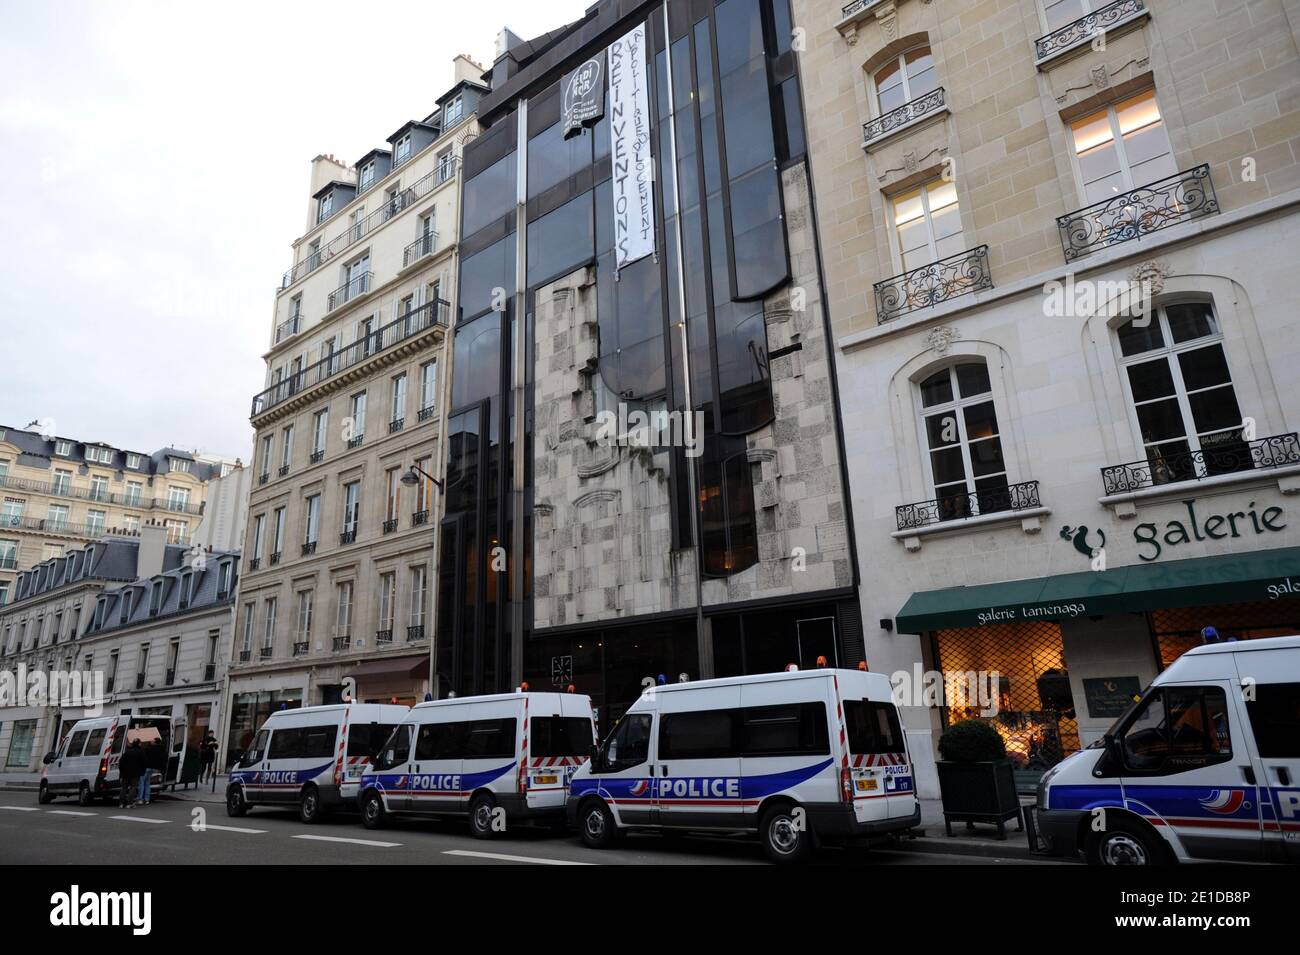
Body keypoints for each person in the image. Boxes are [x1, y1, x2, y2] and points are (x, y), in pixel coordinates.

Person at [119, 739, 146, 809]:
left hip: (125, 773)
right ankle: (129, 803)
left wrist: (122, 772)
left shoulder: (127, 752)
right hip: (135, 773)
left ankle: (121, 803)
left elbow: (121, 763)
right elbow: (144, 763)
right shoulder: (141, 752)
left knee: (124, 787)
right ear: (139, 744)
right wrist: (142, 771)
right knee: (133, 787)